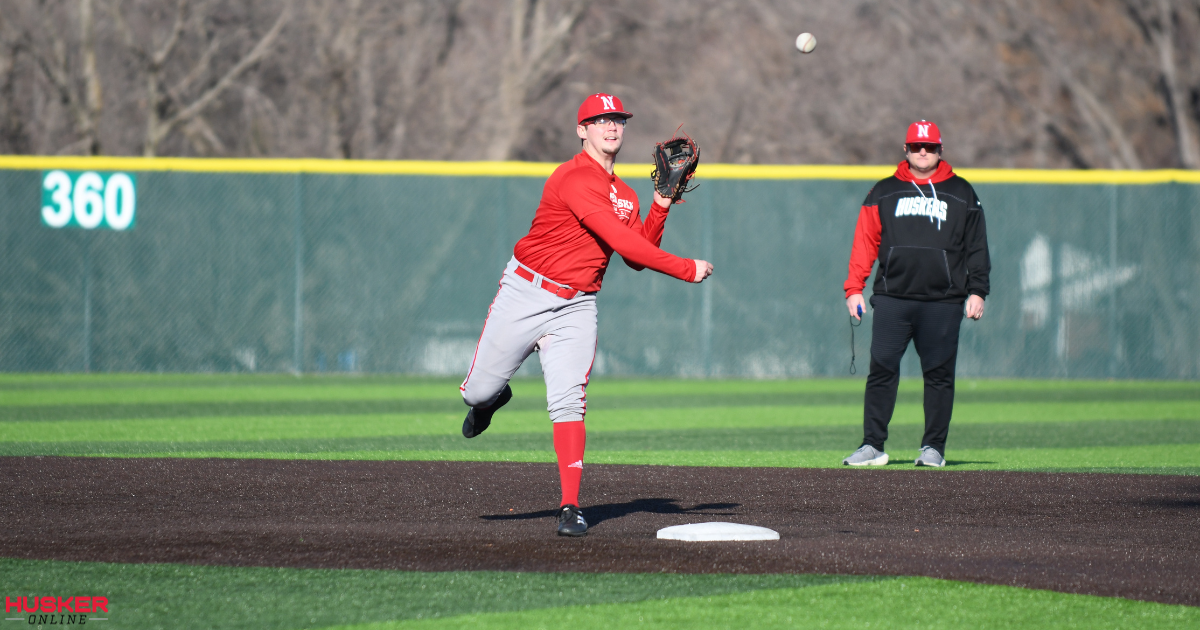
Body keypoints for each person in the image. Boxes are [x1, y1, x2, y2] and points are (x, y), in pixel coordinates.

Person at [459, 93, 713, 536]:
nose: (611, 127)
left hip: (576, 304)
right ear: (582, 130)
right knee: (476, 394)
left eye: (617, 120)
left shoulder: (624, 194)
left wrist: (660, 202)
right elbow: (626, 245)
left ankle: (570, 506)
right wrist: (685, 269)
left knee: (569, 401)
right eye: (600, 120)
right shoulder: (573, 178)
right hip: (526, 292)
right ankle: (493, 398)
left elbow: (637, 255)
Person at [841, 120, 990, 468]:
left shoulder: (962, 192)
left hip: (943, 300)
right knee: (881, 368)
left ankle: (933, 448)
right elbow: (865, 242)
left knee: (938, 374)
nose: (923, 152)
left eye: (931, 147)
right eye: (916, 146)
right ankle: (872, 445)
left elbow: (977, 248)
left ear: (941, 150)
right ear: (905, 150)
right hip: (894, 297)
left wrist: (978, 290)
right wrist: (854, 288)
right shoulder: (884, 191)